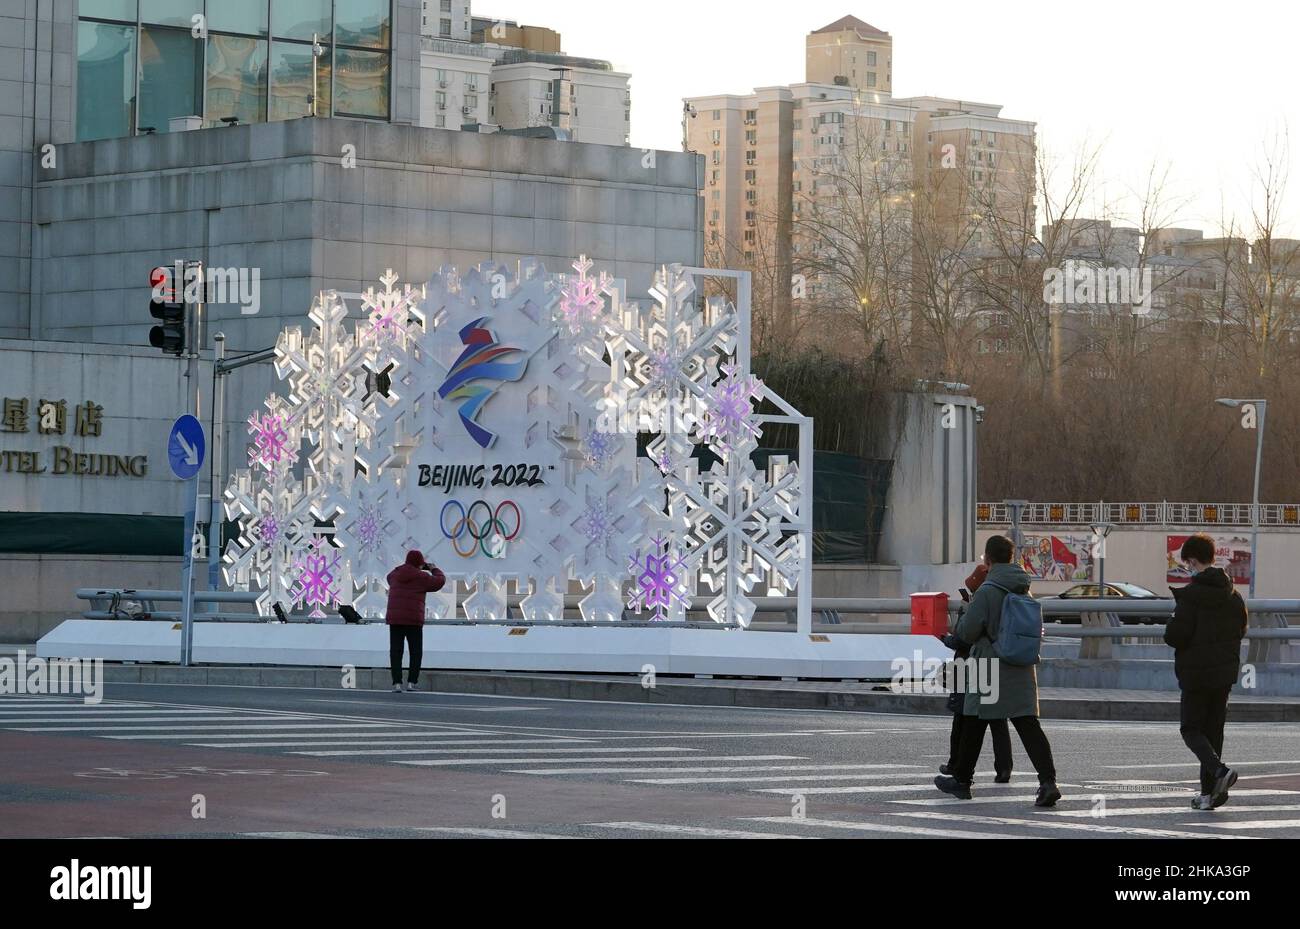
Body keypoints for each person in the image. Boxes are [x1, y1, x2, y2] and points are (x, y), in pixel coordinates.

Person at [935, 534, 1060, 807]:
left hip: (988, 664)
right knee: (1028, 724)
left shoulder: (988, 590)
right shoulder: (1023, 587)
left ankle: (962, 781)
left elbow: (967, 632)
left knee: (972, 719)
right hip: (1021, 665)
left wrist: (967, 610)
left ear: (988, 559)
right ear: (1011, 558)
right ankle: (1048, 781)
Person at [1165, 533, 1247, 810]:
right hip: (1223, 675)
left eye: (1186, 562)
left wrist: (1171, 623)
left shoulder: (1190, 597)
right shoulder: (1233, 596)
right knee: (1213, 733)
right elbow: (1241, 630)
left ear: (1191, 560)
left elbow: (1176, 636)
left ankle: (1220, 772)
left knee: (1191, 728)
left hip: (1196, 674)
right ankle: (1210, 795)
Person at [938, 560, 1013, 783]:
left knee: (963, 717)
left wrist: (945, 638)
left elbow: (964, 637)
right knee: (997, 719)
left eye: (971, 587)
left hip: (970, 665)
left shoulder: (979, 601)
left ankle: (957, 766)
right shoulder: (1002, 598)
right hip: (994, 664)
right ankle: (1004, 768)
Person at [385, 549, 446, 693]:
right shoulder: (422, 577)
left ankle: (397, 684)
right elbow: (439, 581)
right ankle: (412, 683)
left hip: (396, 619)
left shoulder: (395, 574)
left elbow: (388, 577)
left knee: (396, 651)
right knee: (415, 652)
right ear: (420, 563)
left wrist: (403, 567)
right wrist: (433, 568)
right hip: (413, 620)